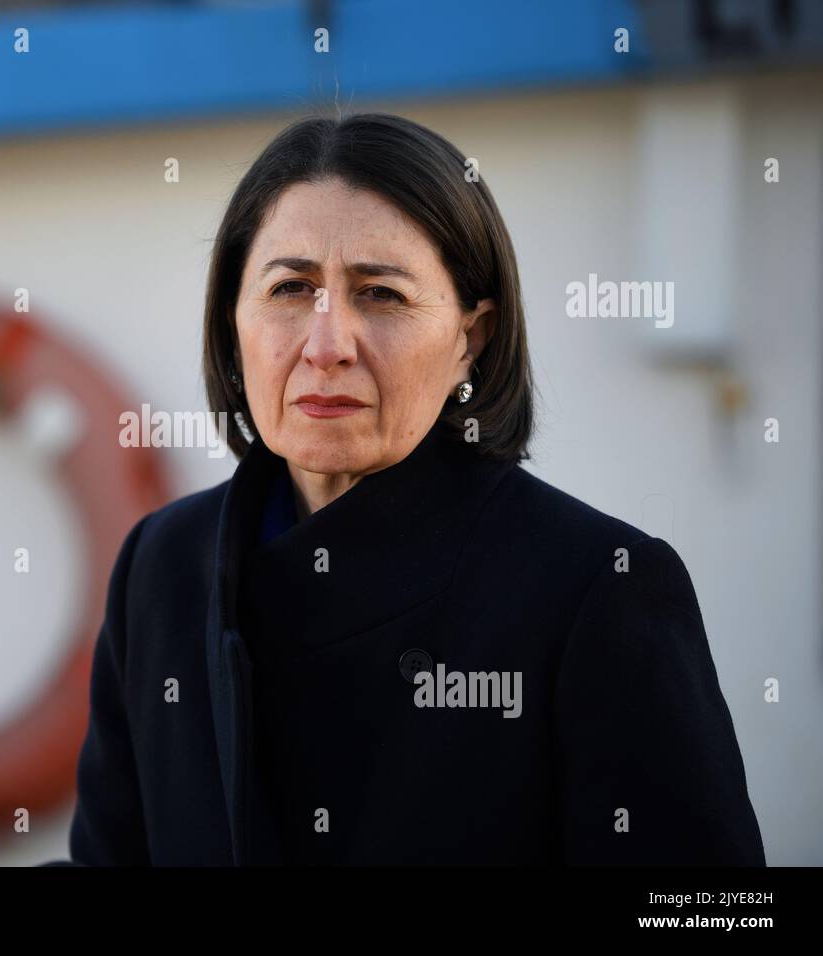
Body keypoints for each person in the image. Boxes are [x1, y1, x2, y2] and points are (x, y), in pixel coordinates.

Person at [61, 112, 765, 865]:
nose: (326, 346)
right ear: (233, 319)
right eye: (291, 288)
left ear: (472, 338)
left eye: (382, 295)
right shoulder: (163, 567)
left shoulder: (596, 590)